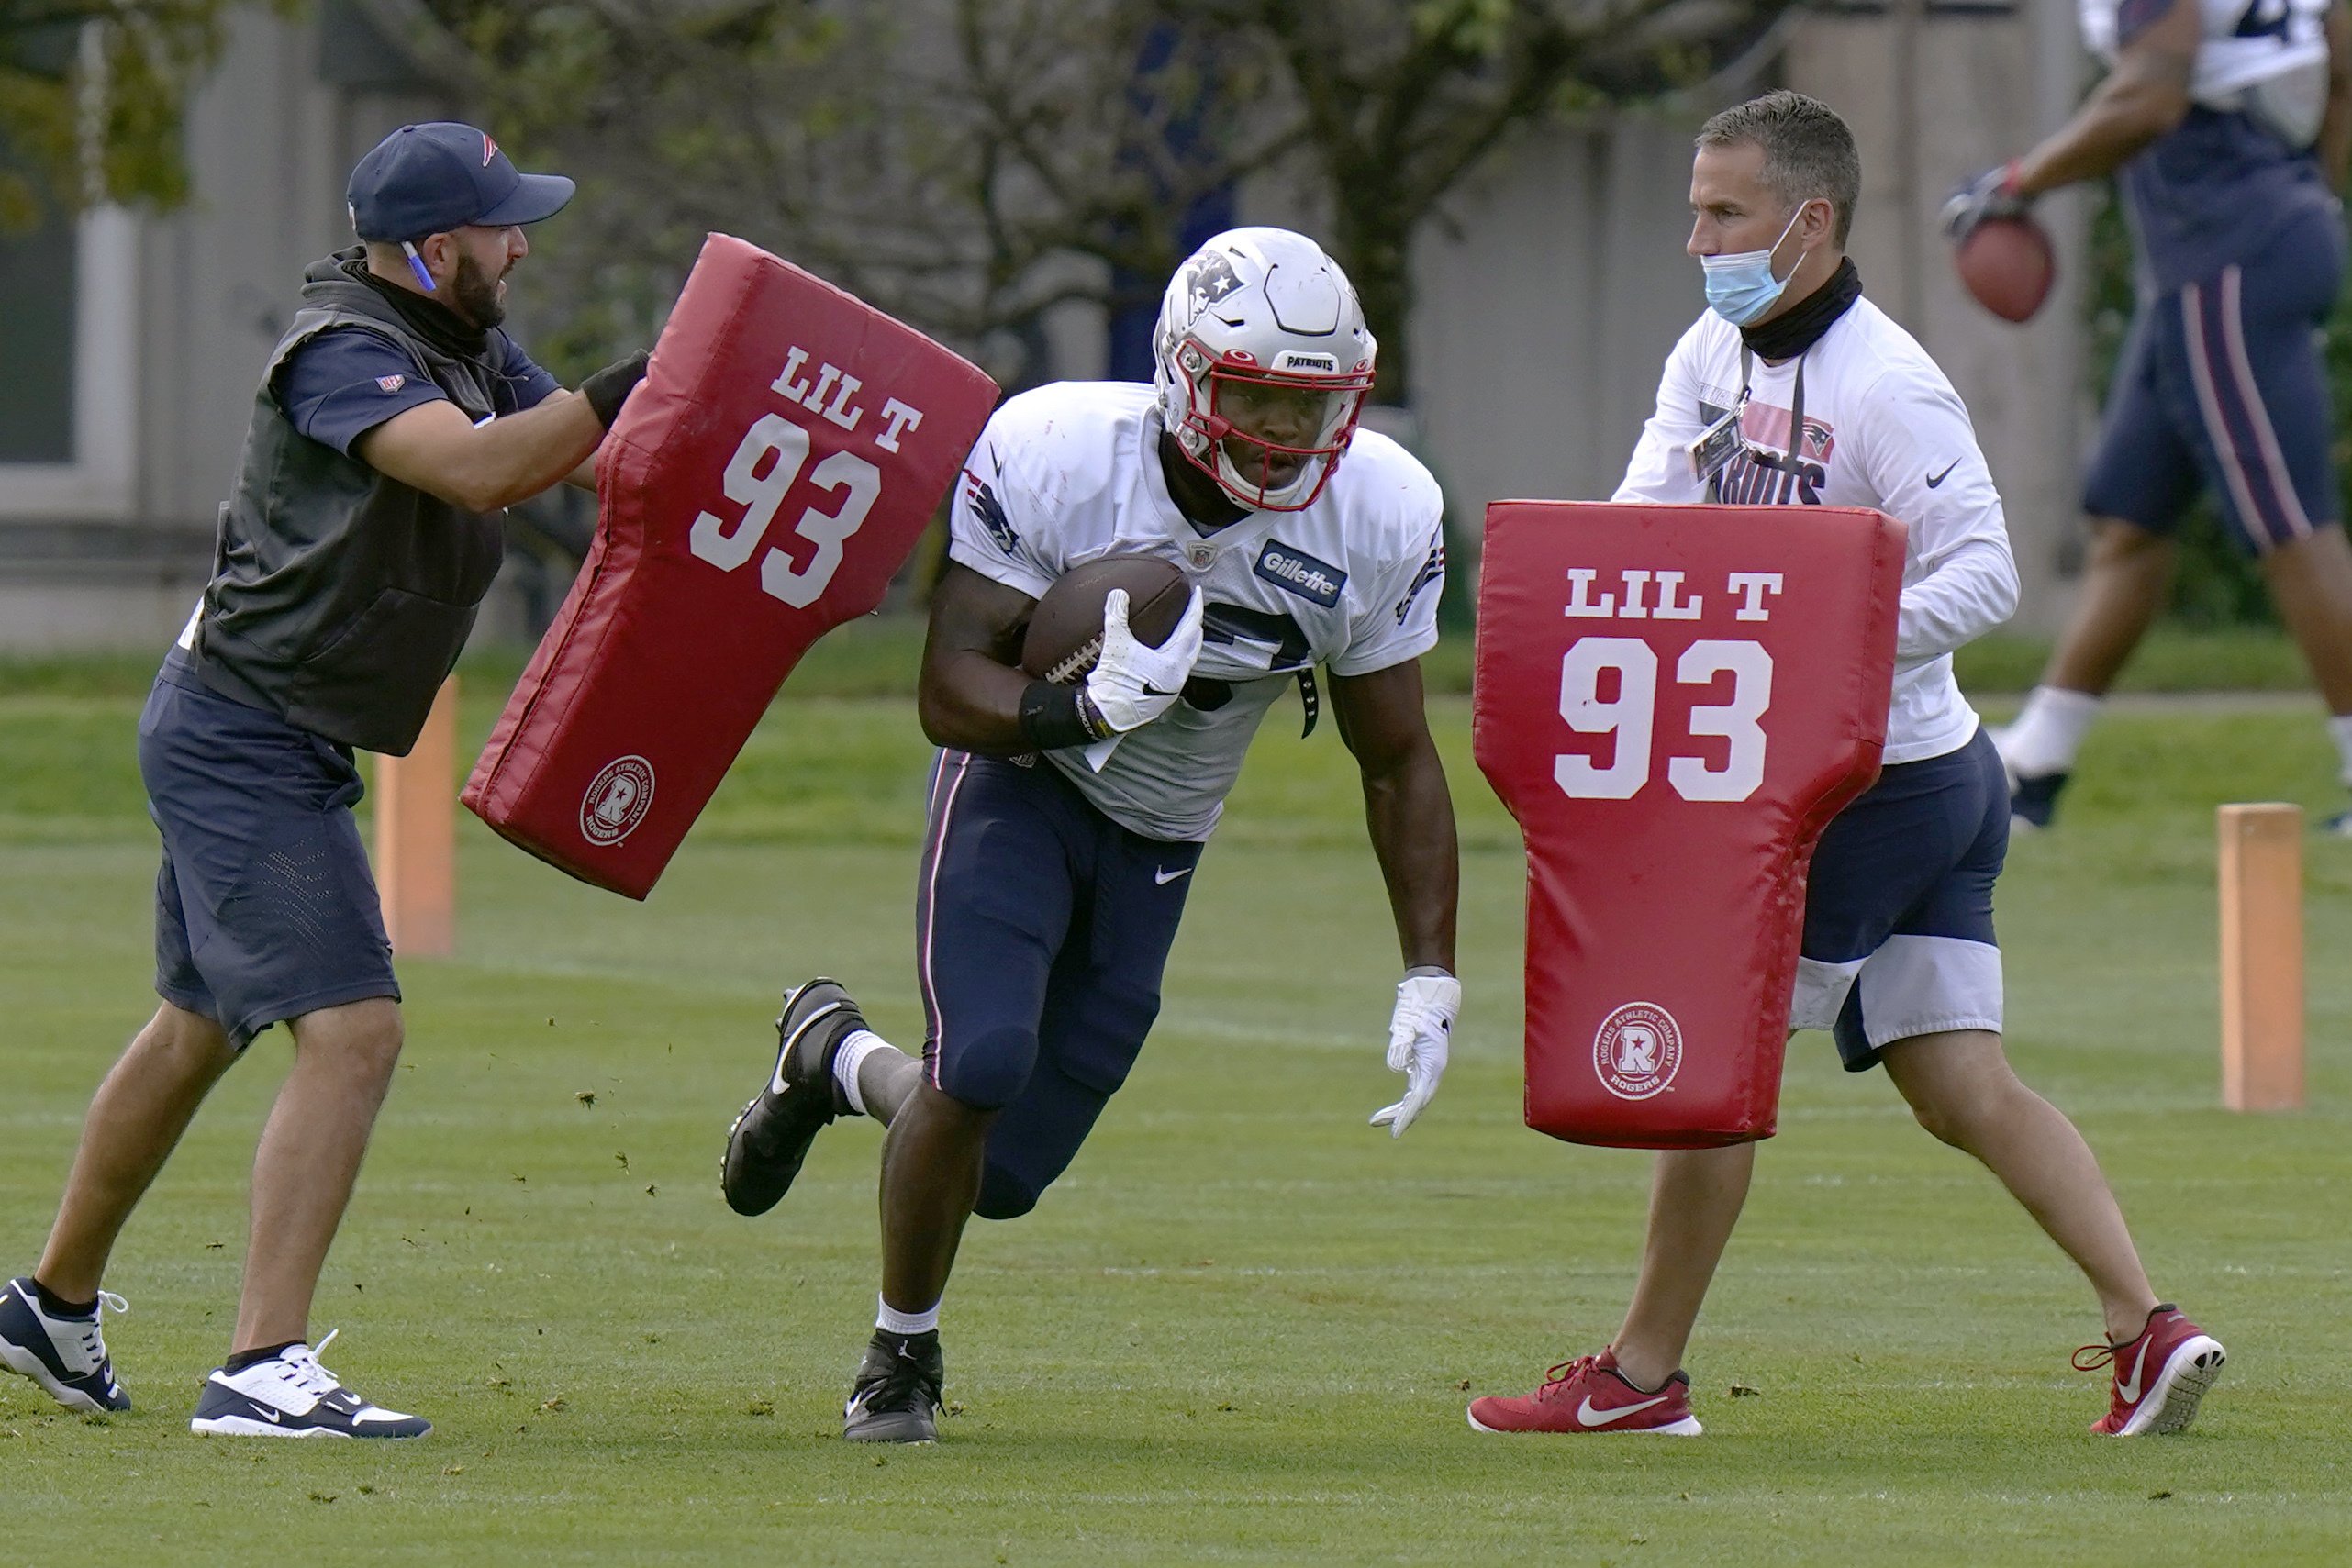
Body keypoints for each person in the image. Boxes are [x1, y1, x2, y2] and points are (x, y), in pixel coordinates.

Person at [1467, 91, 2224, 1440]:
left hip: (1875, 791)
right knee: (1961, 1086)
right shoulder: (1707, 351)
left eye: (1722, 212)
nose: (1695, 238)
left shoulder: (1891, 384)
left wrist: (1819, 651)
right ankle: (2146, 1329)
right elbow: (1652, 525)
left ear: (1807, 221)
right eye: (1692, 208)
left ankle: (1638, 1382)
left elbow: (1986, 575)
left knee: (1712, 1073)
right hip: (1917, 780)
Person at [718, 227, 1462, 1444]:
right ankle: (898, 1356)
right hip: (1020, 783)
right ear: (1179, 372)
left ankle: (832, 1056)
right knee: (984, 1063)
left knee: (998, 1174)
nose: (1280, 432)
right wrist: (1068, 709)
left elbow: (1395, 761)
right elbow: (947, 684)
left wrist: (1428, 970)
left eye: (1305, 403)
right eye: (1254, 395)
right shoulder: (1059, 450)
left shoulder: (1377, 513)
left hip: (1162, 837)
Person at [0, 123, 649, 1440]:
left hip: (263, 728)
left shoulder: (464, 341)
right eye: (500, 226)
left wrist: (699, 412)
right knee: (355, 1032)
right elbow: (478, 470)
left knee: (197, 1025)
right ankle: (260, 1366)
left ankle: (48, 1311)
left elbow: (567, 453)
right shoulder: (341, 352)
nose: (520, 244)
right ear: (430, 248)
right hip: (240, 735)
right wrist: (636, 380)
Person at [1944, 0, 2352, 829]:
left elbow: (2146, 100)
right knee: (2128, 519)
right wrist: (2308, 199)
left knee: (2291, 524)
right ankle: (2036, 761)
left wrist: (2014, 183)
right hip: (2241, 236)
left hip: (2220, 244)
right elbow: (2341, 70)